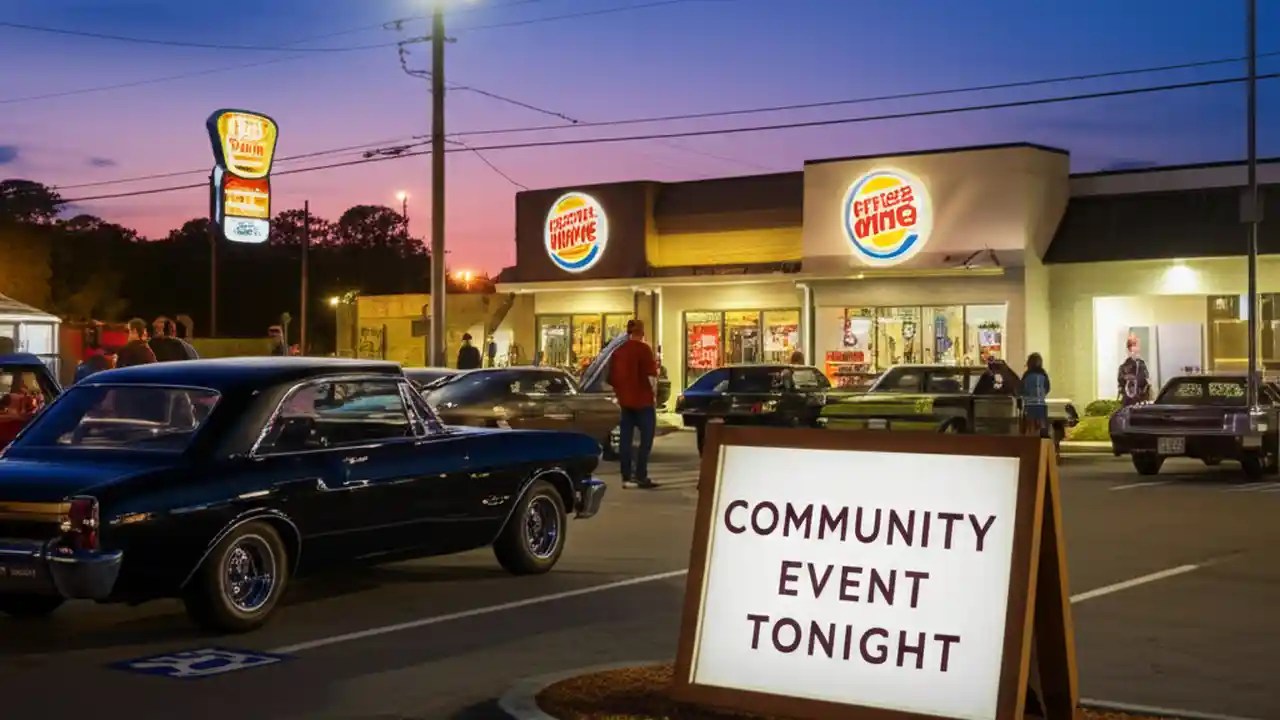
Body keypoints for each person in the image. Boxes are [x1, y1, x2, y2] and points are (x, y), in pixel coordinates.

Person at [607, 319, 659, 489]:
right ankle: (641, 475)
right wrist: (654, 396)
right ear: (642, 332)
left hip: (625, 401)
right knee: (646, 439)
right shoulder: (644, 349)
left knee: (625, 440)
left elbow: (612, 378)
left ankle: (626, 477)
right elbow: (651, 376)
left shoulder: (618, 351)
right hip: (643, 400)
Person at [1020, 352, 1050, 437]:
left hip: (1029, 405)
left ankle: (1031, 445)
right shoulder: (1043, 374)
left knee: (1030, 429)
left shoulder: (1027, 375)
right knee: (1042, 428)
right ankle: (1042, 446)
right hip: (1041, 404)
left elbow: (1022, 389)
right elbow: (1047, 388)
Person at [1117, 334, 1150, 406]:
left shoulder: (1141, 364)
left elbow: (1146, 380)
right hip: (1129, 402)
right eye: (1136, 345)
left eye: (1138, 346)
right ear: (1131, 348)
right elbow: (1122, 384)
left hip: (1140, 401)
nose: (1139, 348)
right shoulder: (1124, 367)